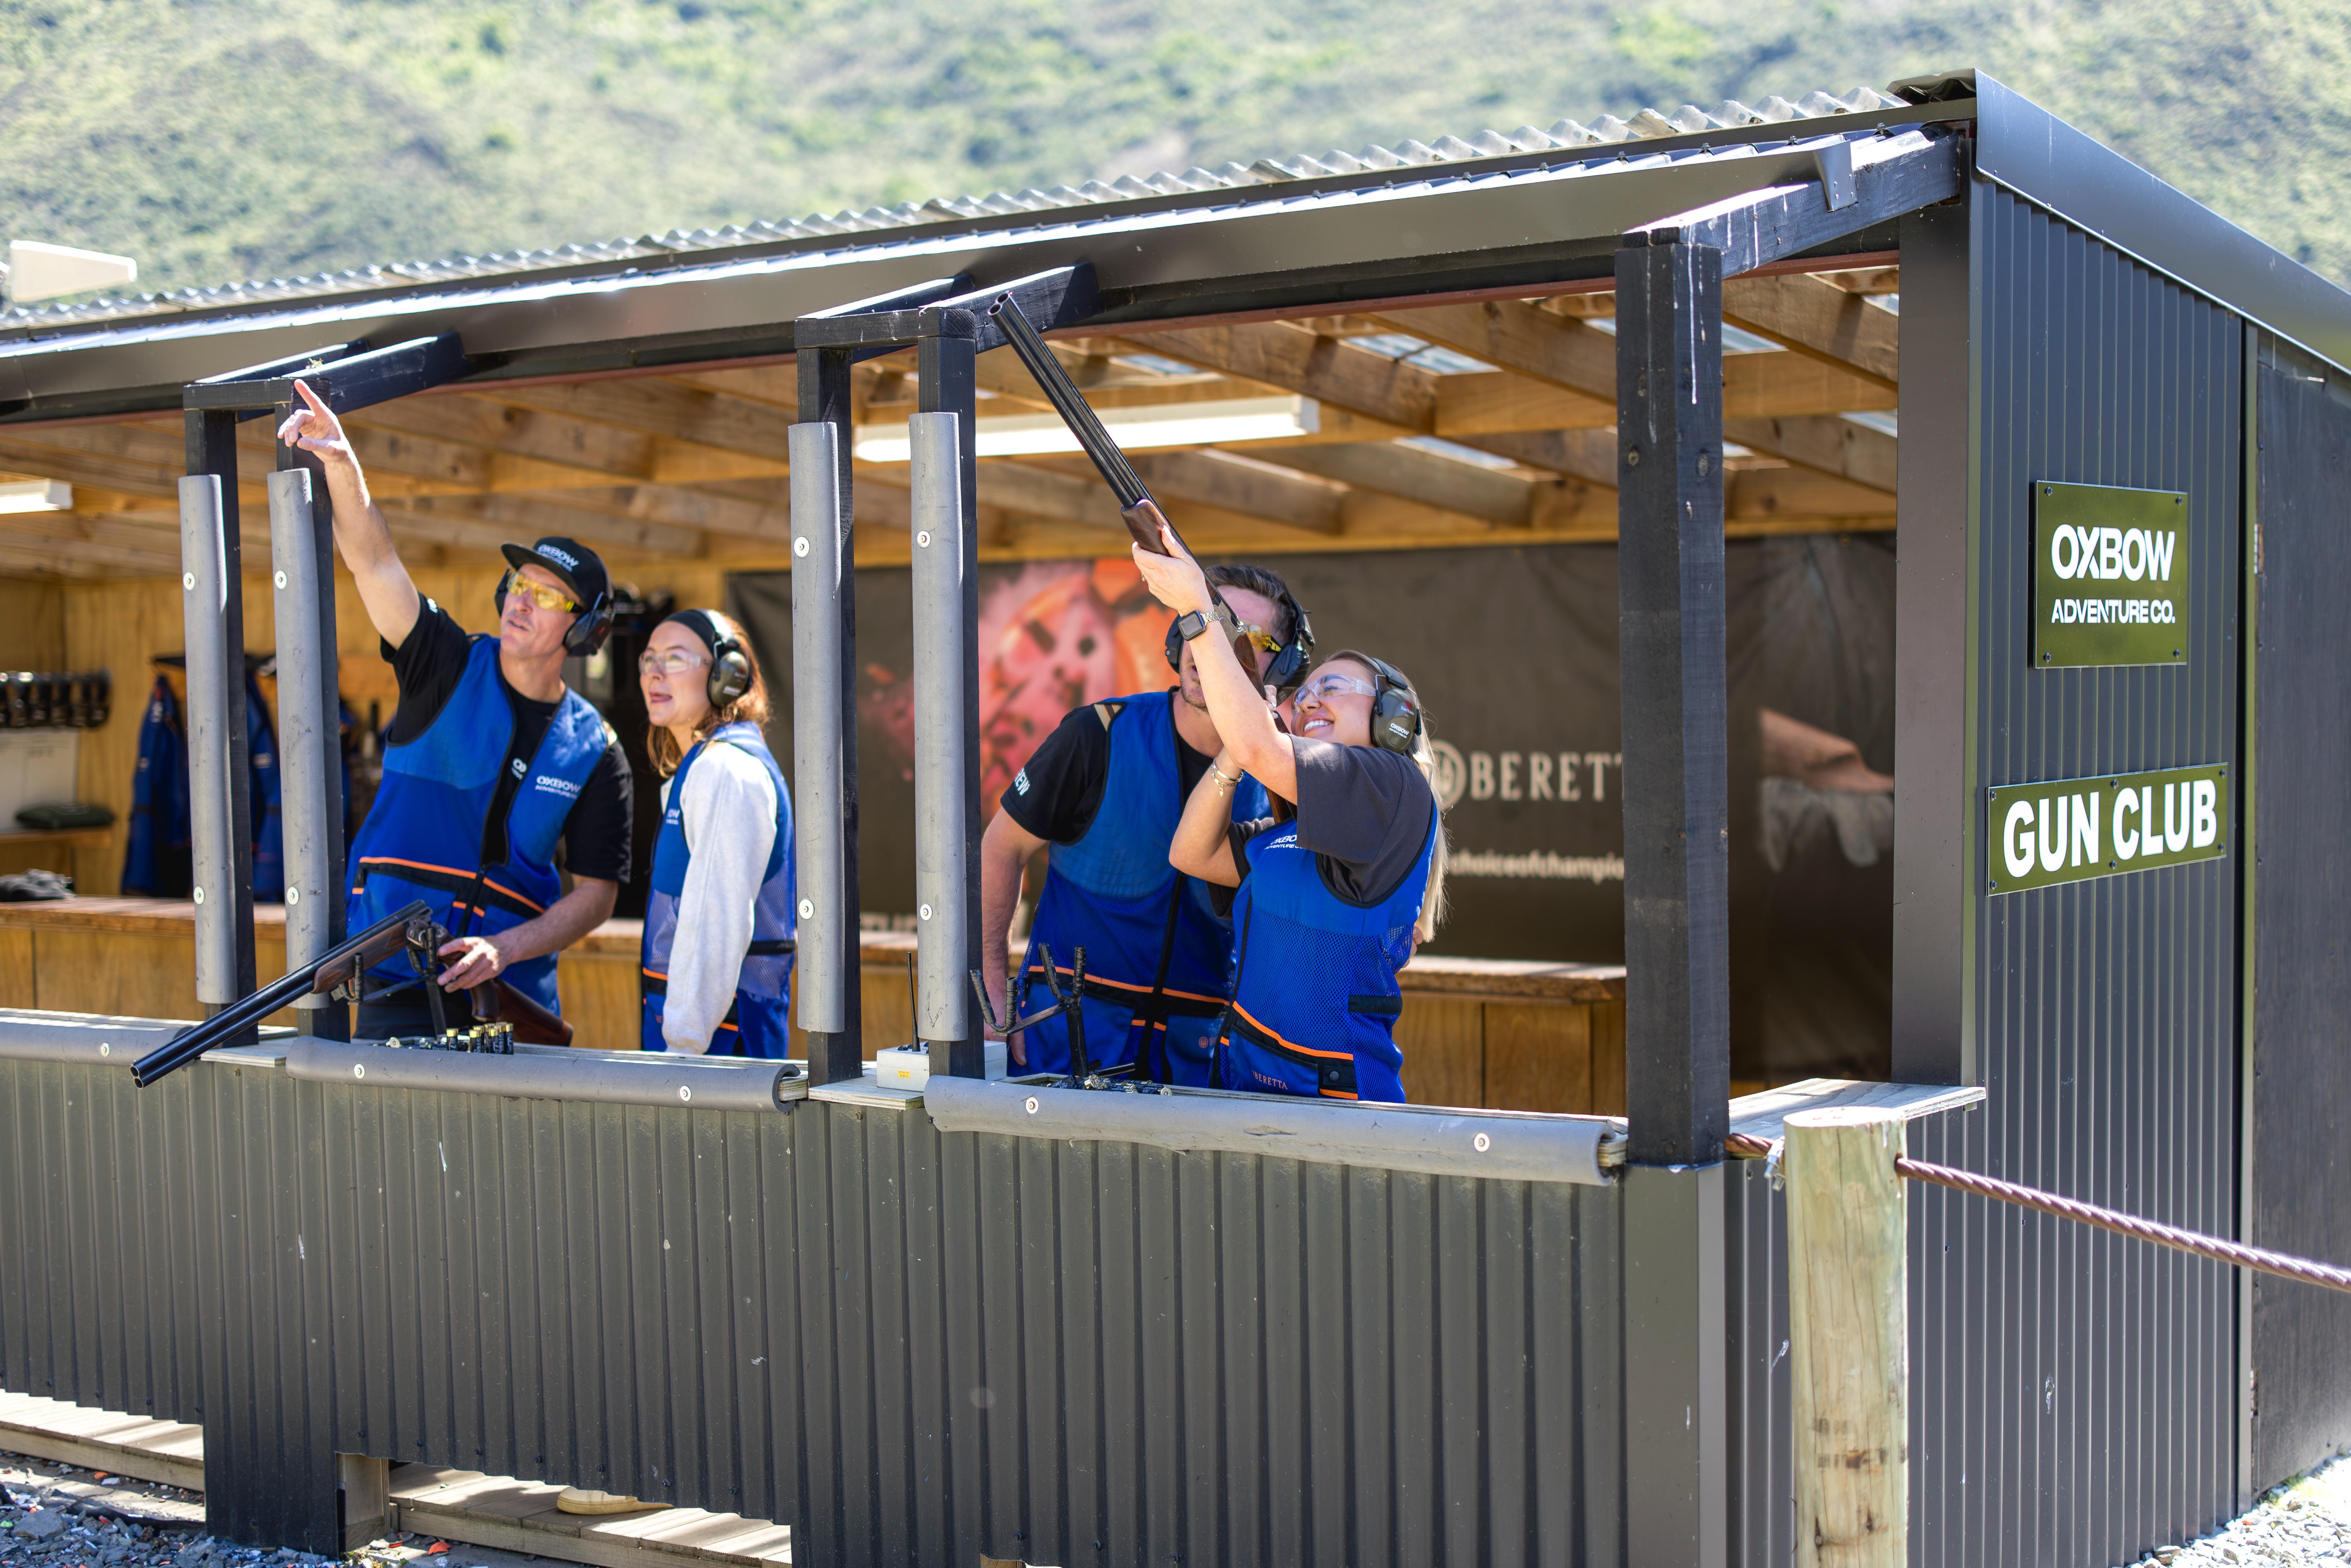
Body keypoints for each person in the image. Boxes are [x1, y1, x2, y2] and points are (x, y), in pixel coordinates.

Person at [276, 379, 634, 1038]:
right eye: (519, 585)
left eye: (548, 597)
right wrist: (342, 464)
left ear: (584, 630)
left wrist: (507, 948)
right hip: (397, 975)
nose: (522, 601)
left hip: (510, 994)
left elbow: (597, 893)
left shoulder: (597, 750)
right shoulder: (443, 659)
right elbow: (374, 562)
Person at [1141, 527, 1449, 1104]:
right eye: (1304, 694)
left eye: (1333, 686)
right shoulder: (1295, 830)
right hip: (1246, 1084)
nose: (1309, 700)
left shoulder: (1393, 783)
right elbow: (1191, 852)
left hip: (1335, 1102)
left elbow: (1264, 749)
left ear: (1392, 716)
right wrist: (1238, 750)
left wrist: (1199, 610)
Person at [977, 562, 1312, 1085]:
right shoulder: (1098, 733)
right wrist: (993, 987)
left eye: (1245, 635)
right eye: (1202, 620)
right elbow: (1001, 847)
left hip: (1197, 1066)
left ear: (1283, 665)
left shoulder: (1287, 777)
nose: (1212, 644)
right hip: (1060, 1046)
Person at [637, 608, 795, 1056]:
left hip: (715, 1052)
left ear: (728, 676)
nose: (654, 673)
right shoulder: (708, 765)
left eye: (675, 658)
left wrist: (682, 1052)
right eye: (649, 658)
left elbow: (717, 922)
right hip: (705, 1045)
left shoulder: (725, 771)